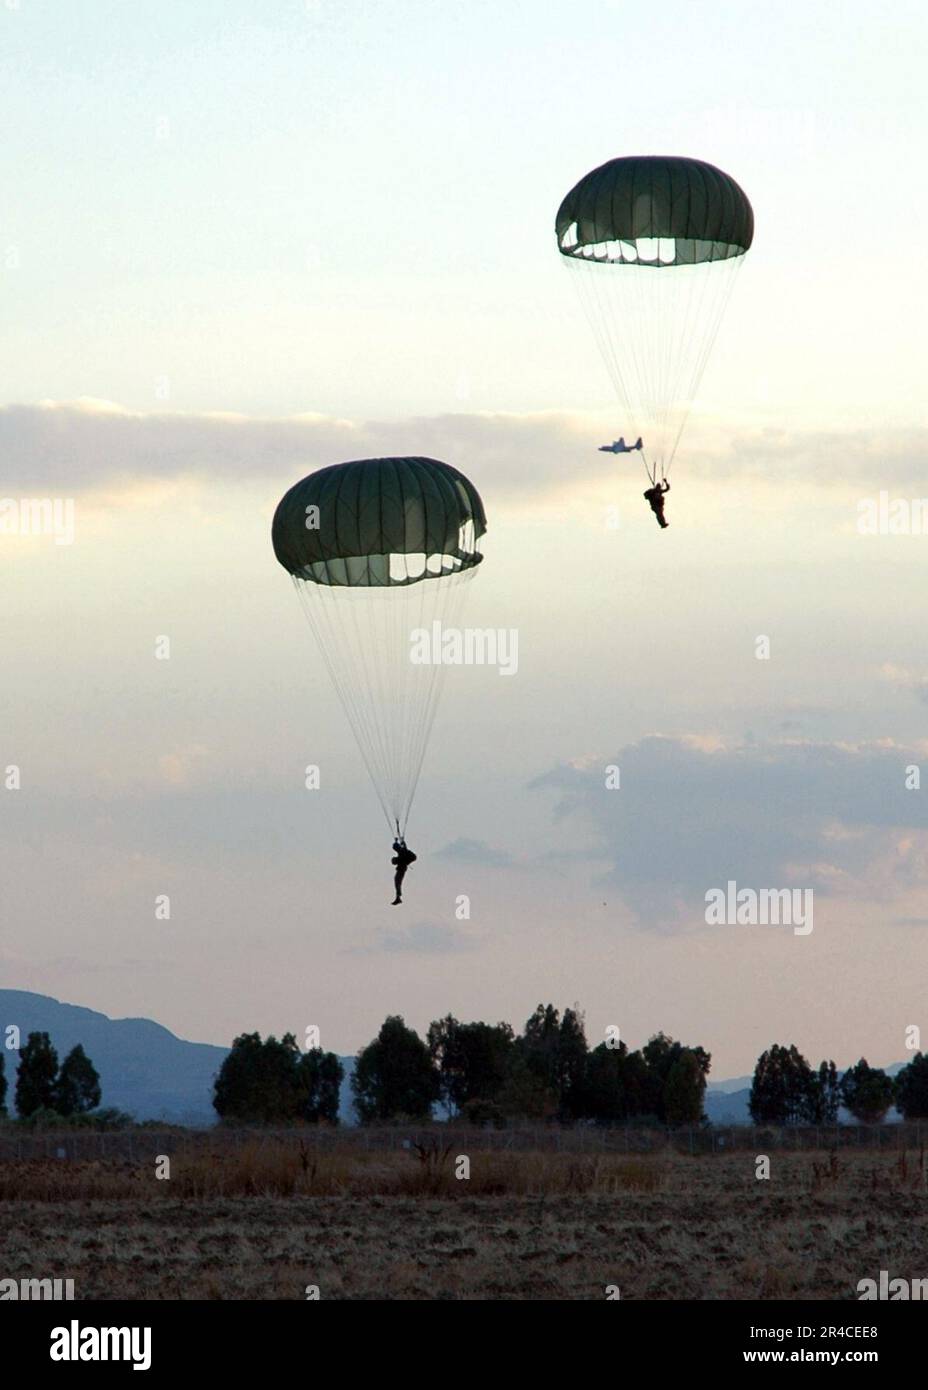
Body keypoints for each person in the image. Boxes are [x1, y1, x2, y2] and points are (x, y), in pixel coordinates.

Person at [391, 836, 417, 905]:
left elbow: (396, 847)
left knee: (397, 882)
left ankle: (398, 897)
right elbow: (397, 848)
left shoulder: (401, 854)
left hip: (401, 870)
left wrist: (397, 842)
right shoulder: (402, 853)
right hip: (402, 869)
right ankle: (398, 897)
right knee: (397, 881)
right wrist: (398, 841)